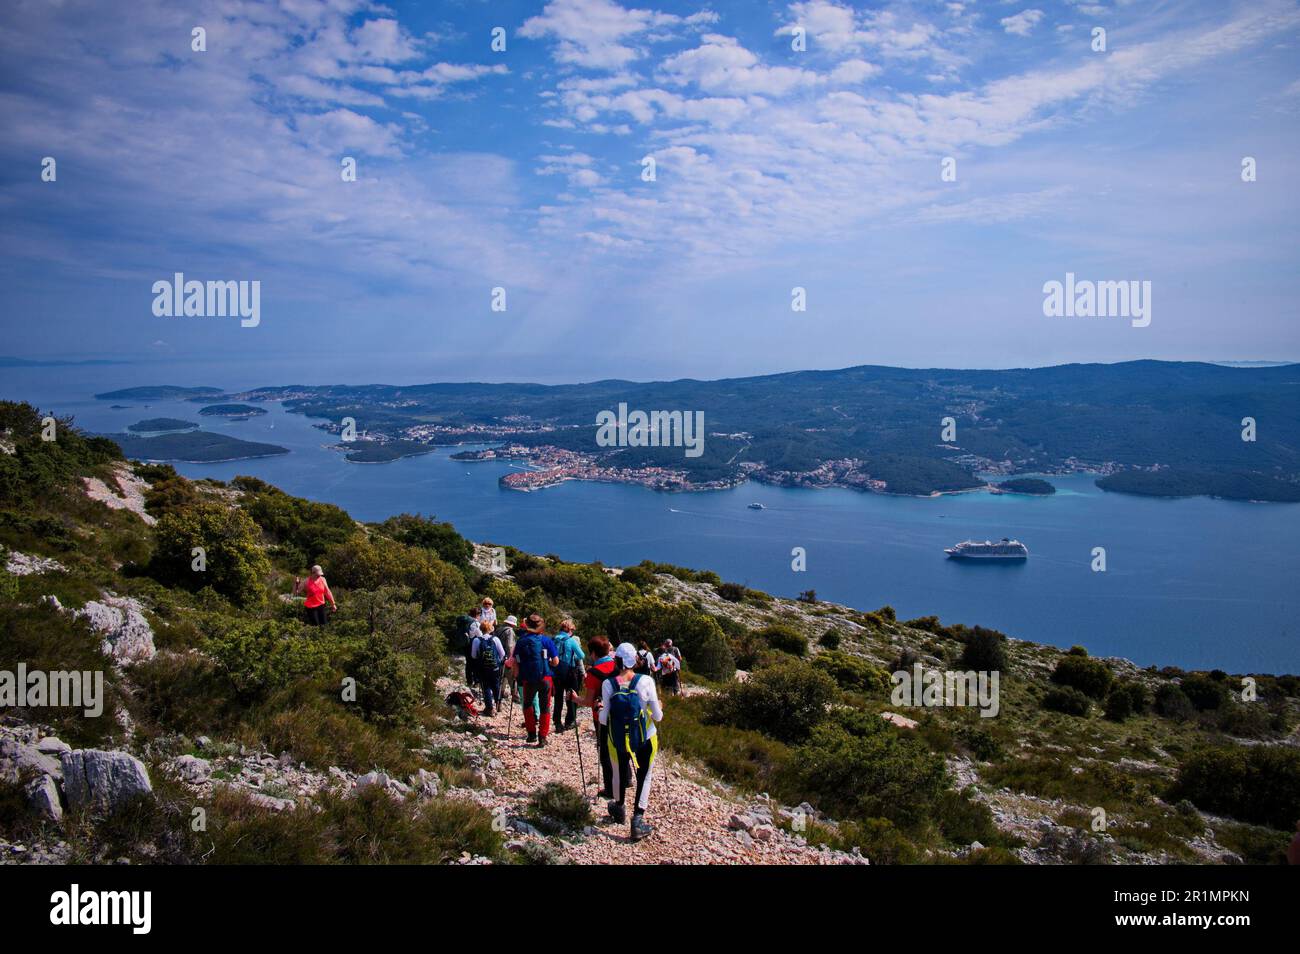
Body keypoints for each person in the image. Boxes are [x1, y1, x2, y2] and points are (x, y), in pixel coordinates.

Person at [602, 642, 663, 842]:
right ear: (634, 661)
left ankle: (619, 807)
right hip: (645, 736)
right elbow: (658, 716)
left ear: (616, 660)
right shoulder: (646, 681)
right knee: (644, 775)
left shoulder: (609, 684)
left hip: (618, 737)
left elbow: (603, 719)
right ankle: (637, 821)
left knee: (618, 771)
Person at [579, 635, 618, 798]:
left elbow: (589, 701)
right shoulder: (617, 666)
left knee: (605, 751)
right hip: (619, 712)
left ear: (593, 653)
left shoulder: (593, 673)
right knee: (619, 746)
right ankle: (627, 778)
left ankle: (610, 788)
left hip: (601, 715)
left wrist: (575, 699)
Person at [513, 614, 559, 746]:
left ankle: (531, 734)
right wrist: (548, 662)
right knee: (545, 707)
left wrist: (517, 677)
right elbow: (556, 662)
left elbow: (516, 661)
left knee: (528, 705)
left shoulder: (521, 641)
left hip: (528, 678)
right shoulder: (546, 640)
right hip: (545, 677)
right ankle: (543, 737)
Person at [552, 619, 586, 731]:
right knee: (571, 695)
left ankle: (557, 723)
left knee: (558, 698)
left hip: (556, 671)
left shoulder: (554, 639)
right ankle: (569, 721)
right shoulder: (571, 641)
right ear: (569, 629)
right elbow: (581, 655)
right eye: (572, 630)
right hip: (569, 671)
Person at [470, 620, 505, 717]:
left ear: (481, 628)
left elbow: (473, 655)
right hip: (495, 668)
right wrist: (498, 662)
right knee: (496, 685)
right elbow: (502, 654)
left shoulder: (477, 640)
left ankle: (489, 709)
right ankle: (498, 704)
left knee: (486, 687)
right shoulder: (495, 639)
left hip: (482, 668)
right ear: (490, 628)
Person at [496, 614, 518, 703]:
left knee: (502, 675)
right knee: (511, 676)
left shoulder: (499, 629)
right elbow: (510, 645)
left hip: (498, 656)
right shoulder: (510, 631)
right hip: (506, 656)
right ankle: (515, 695)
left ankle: (501, 691)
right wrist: (511, 659)